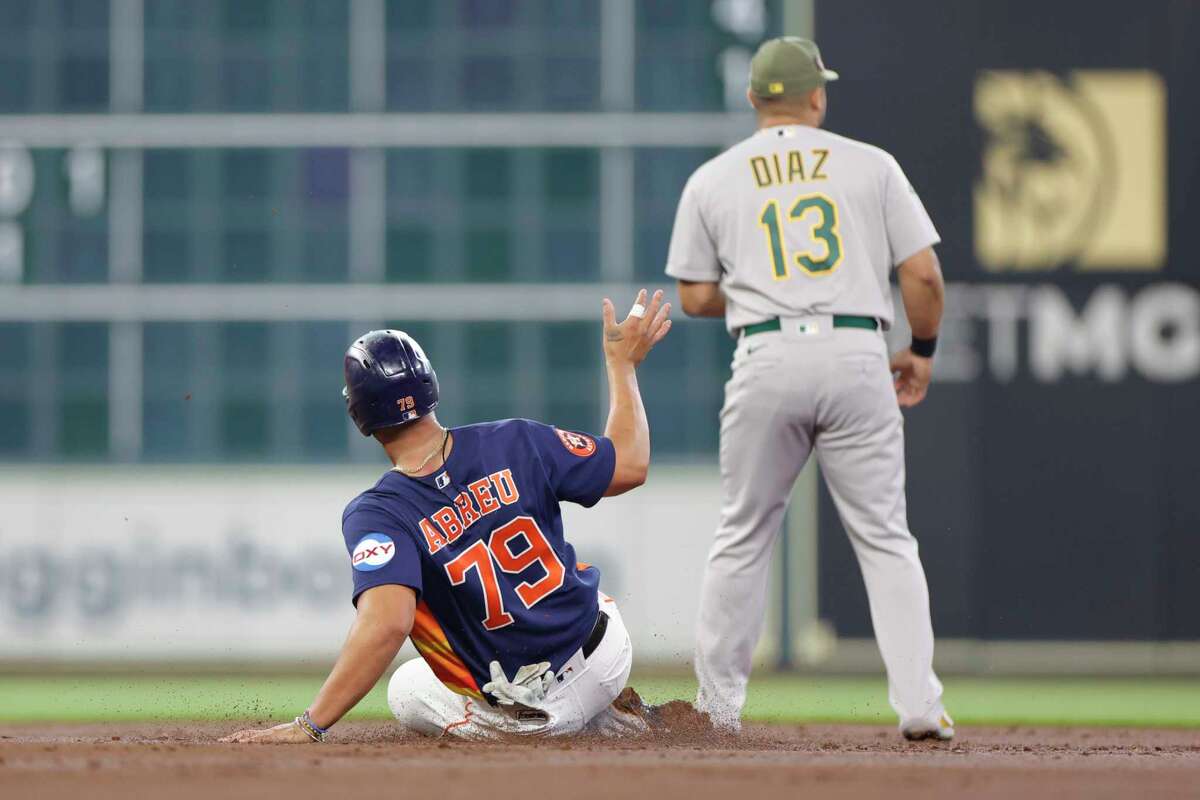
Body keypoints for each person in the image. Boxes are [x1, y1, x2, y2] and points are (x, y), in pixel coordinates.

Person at [223, 290, 671, 742]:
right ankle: (610, 711)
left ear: (359, 413)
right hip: (608, 652)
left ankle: (571, 721)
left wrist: (309, 726)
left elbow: (388, 623)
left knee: (407, 686)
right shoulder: (515, 439)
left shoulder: (379, 511)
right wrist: (622, 365)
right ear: (430, 387)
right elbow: (629, 465)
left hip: (544, 708)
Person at [664, 37, 952, 741]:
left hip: (765, 351)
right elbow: (923, 277)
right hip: (857, 350)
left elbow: (694, 296)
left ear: (753, 98)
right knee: (886, 537)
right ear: (816, 96)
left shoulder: (713, 178)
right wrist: (920, 350)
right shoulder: (870, 165)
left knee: (743, 533)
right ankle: (918, 705)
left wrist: (761, 289)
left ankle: (719, 711)